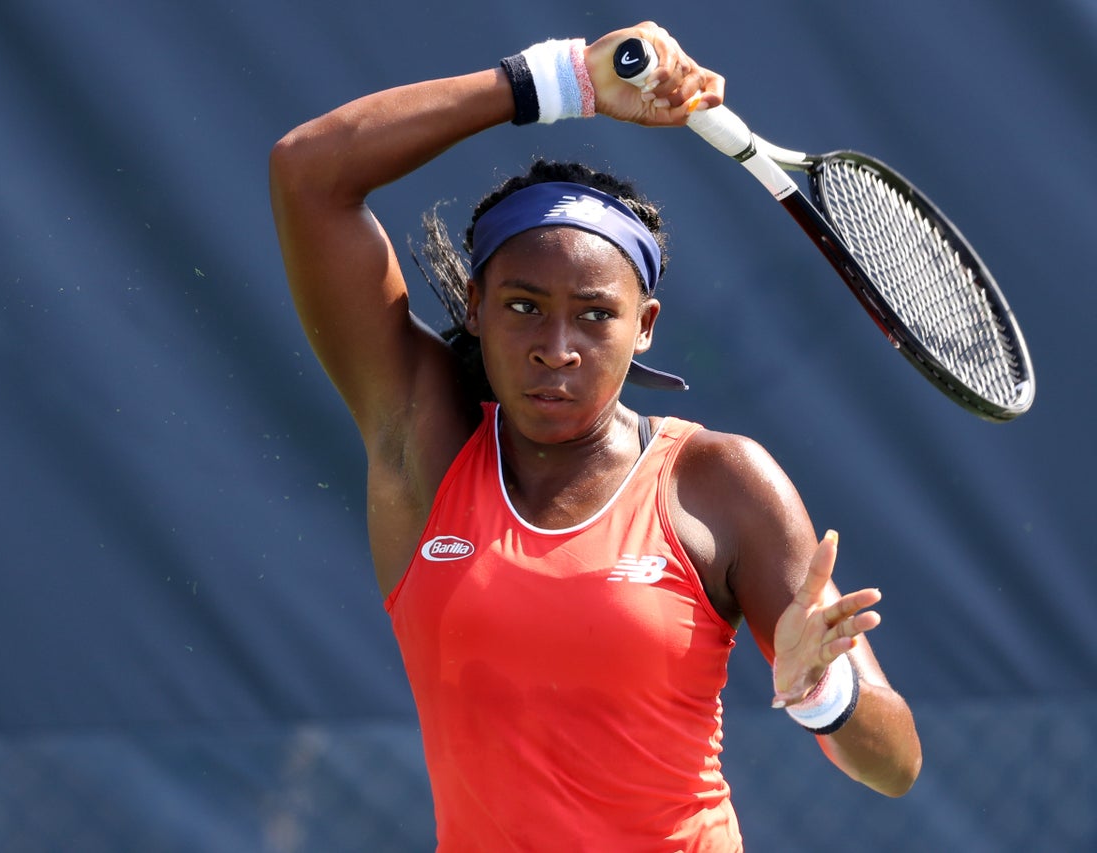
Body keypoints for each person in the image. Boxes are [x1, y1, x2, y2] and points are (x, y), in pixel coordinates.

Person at [269, 20, 922, 851]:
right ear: (475, 308)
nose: (557, 346)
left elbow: (894, 763)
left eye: (595, 315)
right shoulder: (426, 446)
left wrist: (823, 691)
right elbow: (308, 173)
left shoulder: (718, 482)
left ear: (644, 325)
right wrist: (567, 81)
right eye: (522, 307)